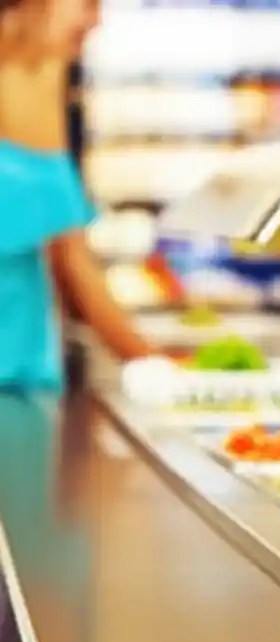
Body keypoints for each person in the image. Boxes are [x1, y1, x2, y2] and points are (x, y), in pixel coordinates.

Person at [0, 0, 151, 391]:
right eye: (88, 3)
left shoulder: (39, 71)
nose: (96, 21)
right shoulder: (30, 79)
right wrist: (162, 370)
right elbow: (72, 261)